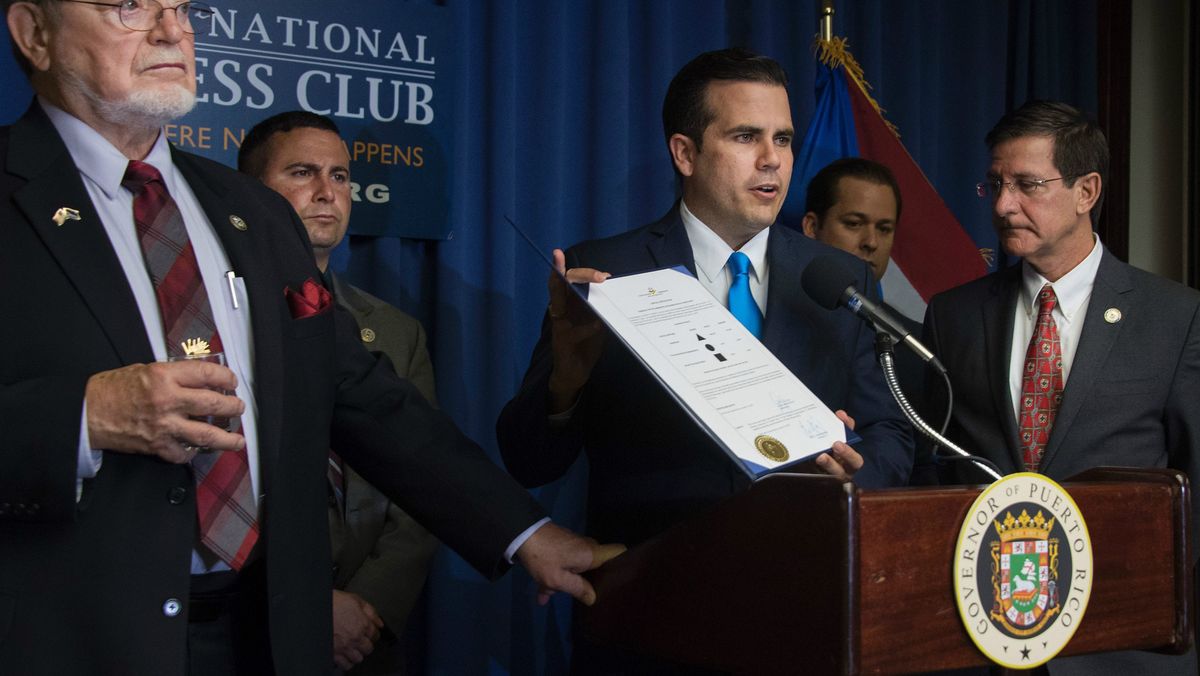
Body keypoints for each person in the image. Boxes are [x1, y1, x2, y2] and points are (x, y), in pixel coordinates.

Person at [0, 2, 620, 674]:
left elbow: (357, 392)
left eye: (180, 8)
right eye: (128, 7)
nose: (170, 30)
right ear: (35, 32)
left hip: (269, 637)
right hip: (73, 638)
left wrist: (527, 533)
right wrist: (85, 418)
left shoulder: (252, 211)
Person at [498, 47, 912, 562]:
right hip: (652, 592)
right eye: (746, 137)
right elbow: (530, 462)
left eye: (782, 138)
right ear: (685, 154)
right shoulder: (608, 270)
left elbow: (889, 431)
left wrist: (857, 471)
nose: (773, 160)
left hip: (805, 587)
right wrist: (566, 382)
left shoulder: (838, 278)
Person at [923, 100, 1199, 674]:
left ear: (1087, 191)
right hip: (974, 640)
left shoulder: (1175, 317)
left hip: (1121, 644)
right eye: (995, 184)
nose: (1003, 205)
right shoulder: (952, 316)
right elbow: (929, 471)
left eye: (1028, 184)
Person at [238, 111, 439, 674]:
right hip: (248, 628)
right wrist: (300, 607)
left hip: (365, 640)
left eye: (341, 176)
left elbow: (422, 488)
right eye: (303, 173)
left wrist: (368, 607)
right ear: (250, 192)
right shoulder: (213, 317)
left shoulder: (397, 332)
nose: (327, 192)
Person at [800, 157, 925, 404]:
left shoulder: (915, 345)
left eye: (884, 229)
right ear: (813, 227)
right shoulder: (776, 315)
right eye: (854, 224)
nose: (871, 242)